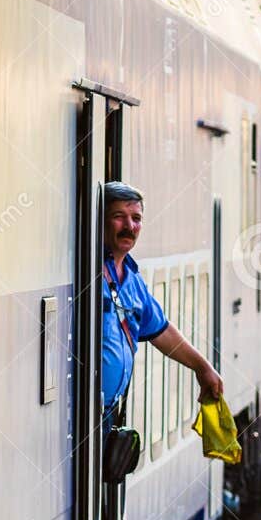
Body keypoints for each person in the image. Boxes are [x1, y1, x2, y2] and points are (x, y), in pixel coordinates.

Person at [101, 180, 223, 423]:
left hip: (110, 412)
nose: (129, 226)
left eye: (136, 218)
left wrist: (203, 368)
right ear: (101, 220)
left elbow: (161, 331)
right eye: (119, 216)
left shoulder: (131, 278)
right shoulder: (90, 270)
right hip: (83, 413)